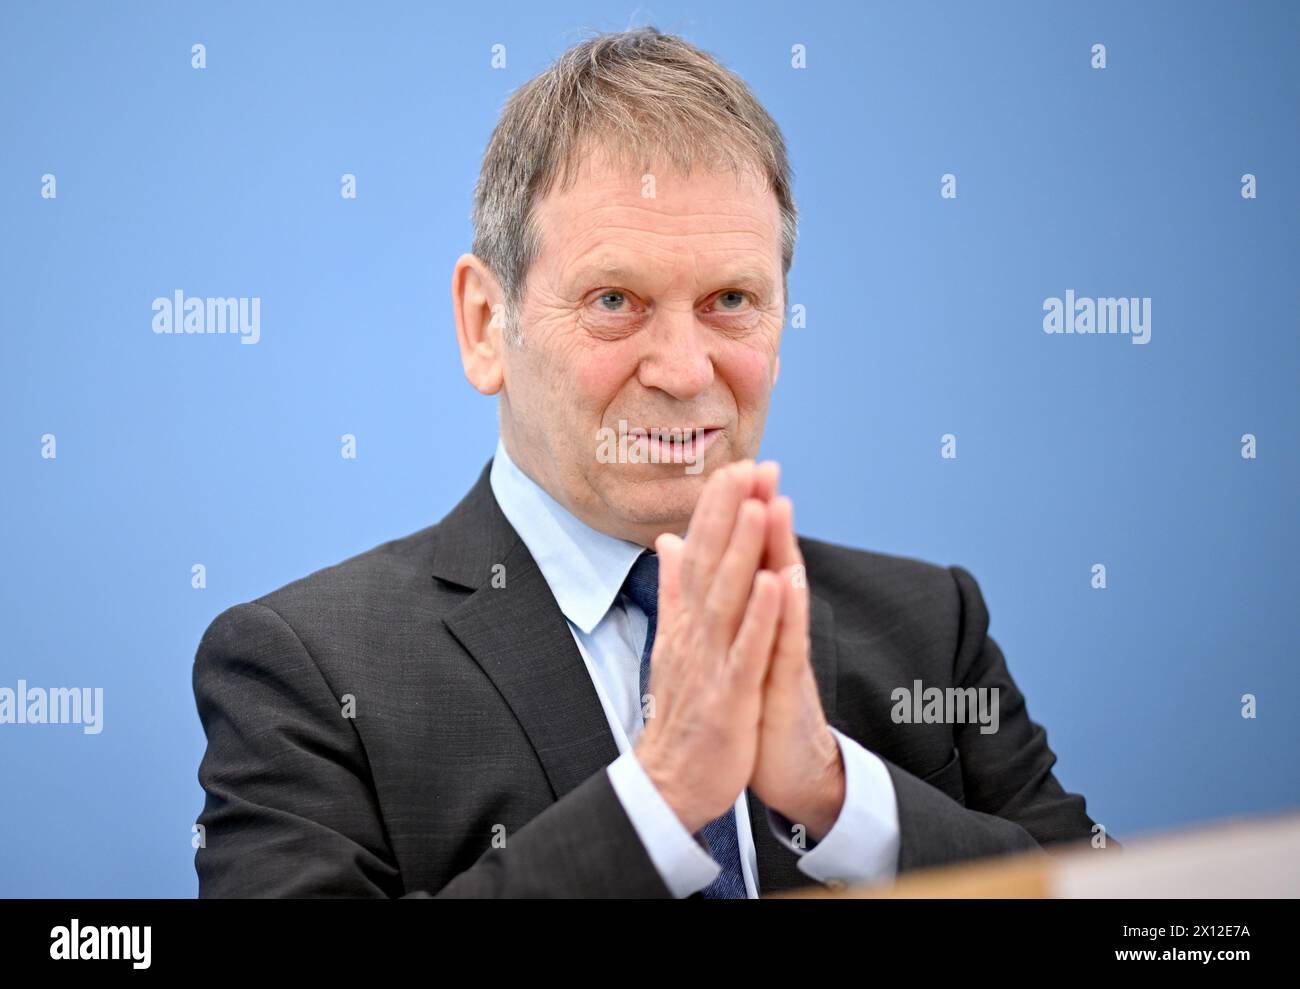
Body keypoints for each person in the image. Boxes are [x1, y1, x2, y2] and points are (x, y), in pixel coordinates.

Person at [193, 27, 1111, 898]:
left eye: (730, 299)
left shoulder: (930, 631)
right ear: (485, 325)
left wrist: (838, 795)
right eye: (615, 298)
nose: (683, 370)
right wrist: (660, 801)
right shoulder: (306, 672)